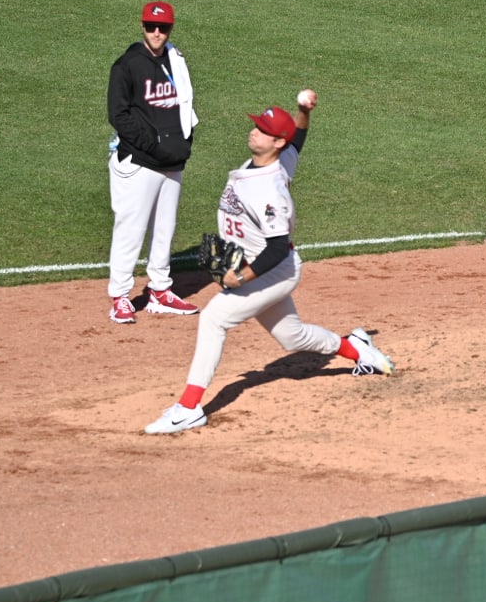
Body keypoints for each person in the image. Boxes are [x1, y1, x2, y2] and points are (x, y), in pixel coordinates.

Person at [145, 93, 396, 434]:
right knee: (292, 338)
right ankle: (357, 348)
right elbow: (298, 139)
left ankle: (188, 409)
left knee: (214, 319)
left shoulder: (270, 192)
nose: (254, 132)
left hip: (272, 271)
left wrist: (240, 278)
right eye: (257, 126)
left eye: (263, 130)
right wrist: (303, 111)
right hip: (261, 266)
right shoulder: (276, 159)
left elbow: (277, 249)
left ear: (277, 143)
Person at [106, 1, 201, 324]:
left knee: (165, 229)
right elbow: (118, 115)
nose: (157, 32)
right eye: (151, 26)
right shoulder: (127, 65)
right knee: (130, 230)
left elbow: (185, 105)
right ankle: (120, 297)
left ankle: (160, 291)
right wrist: (154, 145)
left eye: (163, 27)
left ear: (171, 28)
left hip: (172, 162)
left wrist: (181, 144)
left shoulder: (176, 60)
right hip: (139, 163)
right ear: (142, 26)